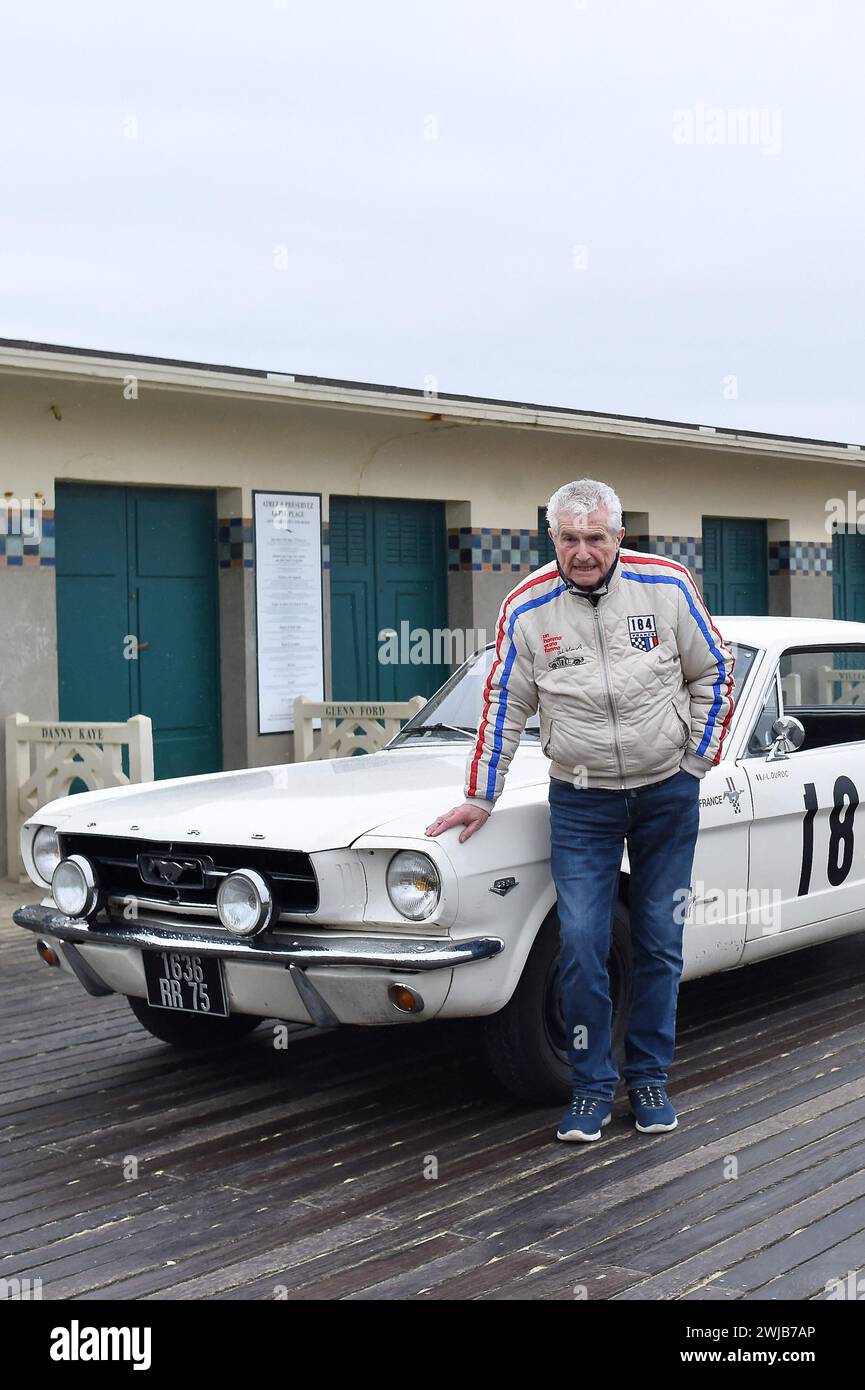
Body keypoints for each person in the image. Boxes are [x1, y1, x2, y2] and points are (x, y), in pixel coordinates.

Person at [426, 478, 735, 1142]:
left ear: (618, 537)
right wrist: (480, 795)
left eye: (595, 537)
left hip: (665, 794)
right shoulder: (526, 607)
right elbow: (501, 706)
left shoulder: (667, 585)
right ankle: (592, 1087)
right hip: (580, 799)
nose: (583, 551)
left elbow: (714, 669)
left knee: (657, 941)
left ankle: (648, 1078)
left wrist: (695, 761)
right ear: (552, 540)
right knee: (583, 945)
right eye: (569, 538)